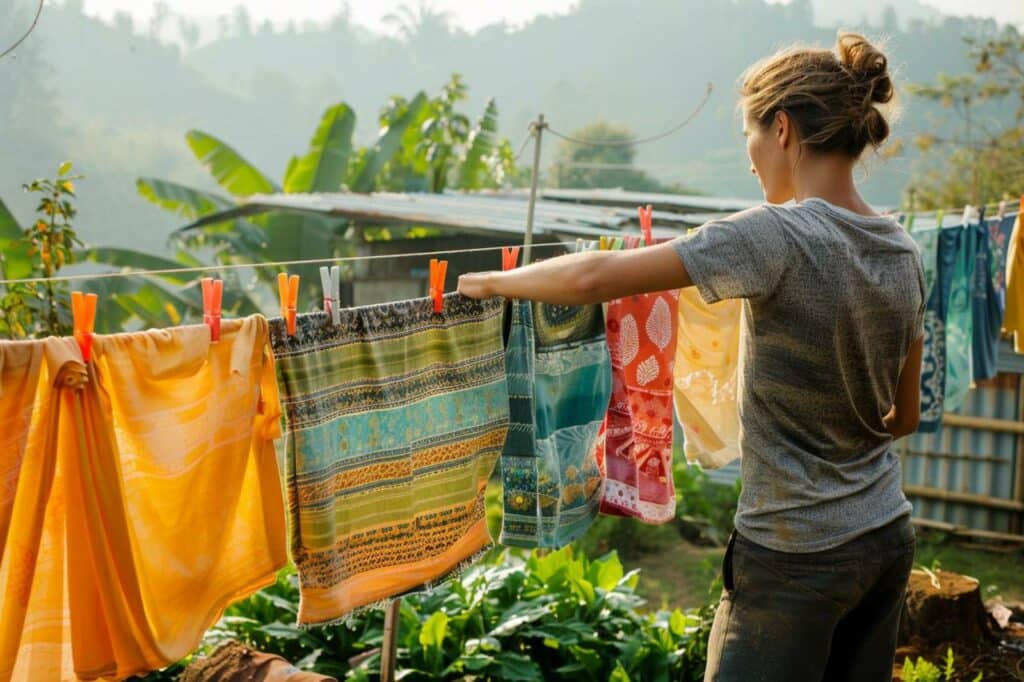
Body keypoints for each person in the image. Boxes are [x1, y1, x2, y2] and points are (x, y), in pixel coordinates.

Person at [457, 31, 925, 682]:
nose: (750, 156)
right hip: (885, 537)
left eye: (749, 136)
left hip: (795, 555)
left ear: (783, 129)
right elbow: (902, 417)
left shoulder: (776, 235)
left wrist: (491, 283)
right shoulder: (900, 249)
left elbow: (597, 277)